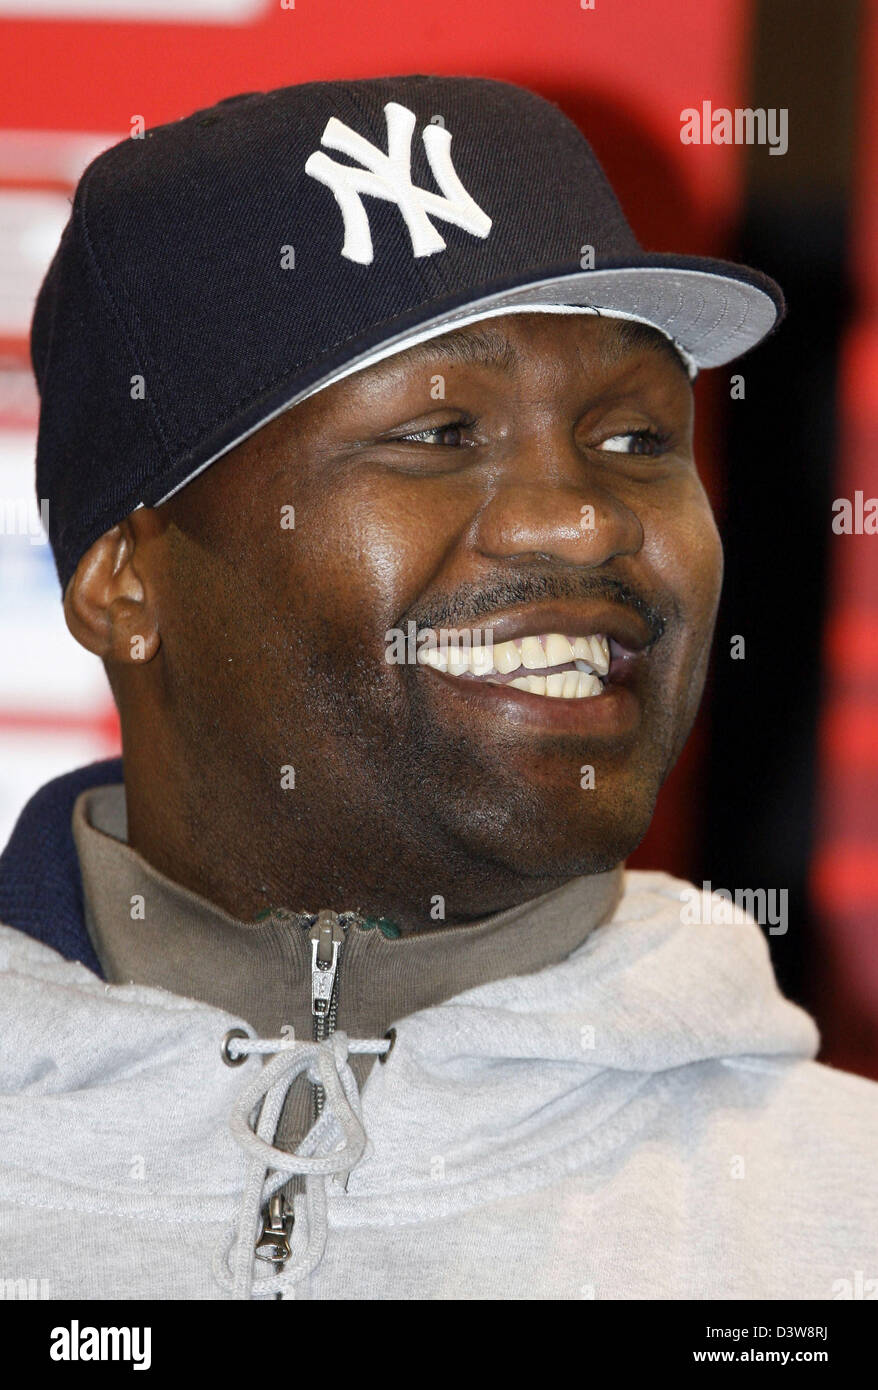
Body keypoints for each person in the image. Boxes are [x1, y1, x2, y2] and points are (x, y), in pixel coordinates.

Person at [1, 75, 875, 1301]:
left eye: (632, 440)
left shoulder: (838, 1224)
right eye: (437, 431)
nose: (581, 521)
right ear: (125, 581)